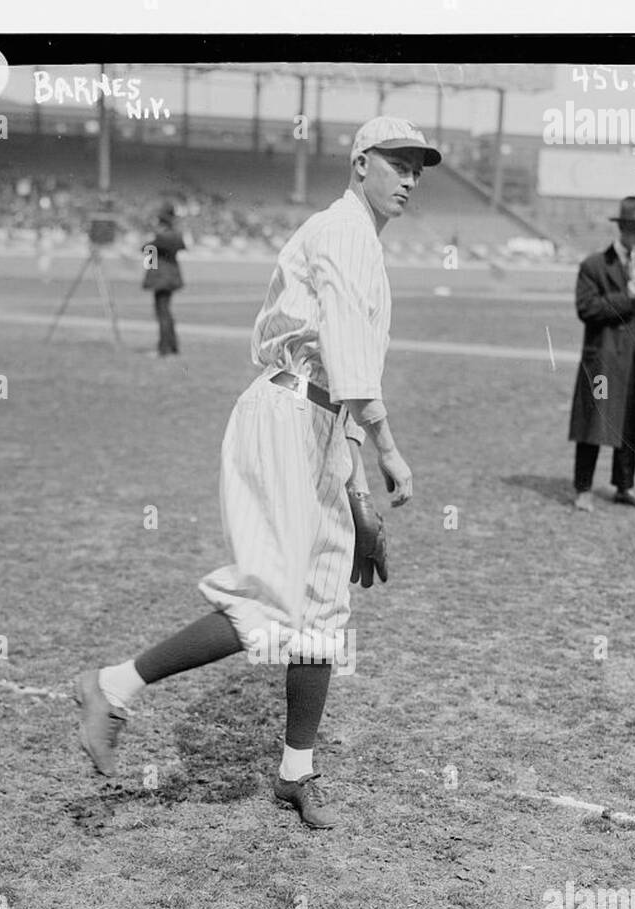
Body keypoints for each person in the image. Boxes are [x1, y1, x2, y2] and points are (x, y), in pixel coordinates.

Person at [77, 116, 441, 829]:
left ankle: (294, 773)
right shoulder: (340, 229)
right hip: (284, 414)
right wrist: (387, 448)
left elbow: (343, 374)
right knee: (273, 599)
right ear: (359, 161)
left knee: (323, 603)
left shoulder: (360, 238)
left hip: (316, 422)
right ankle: (112, 685)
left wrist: (356, 495)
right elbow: (343, 355)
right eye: (396, 162)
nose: (408, 178)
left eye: (418, 169)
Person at [568, 196, 635, 512]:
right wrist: (627, 296)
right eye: (632, 228)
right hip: (603, 357)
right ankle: (583, 488)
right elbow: (587, 309)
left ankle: (624, 487)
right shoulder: (594, 265)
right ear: (621, 228)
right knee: (593, 422)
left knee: (630, 424)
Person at [141, 201, 185, 356]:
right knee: (165, 312)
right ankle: (172, 346)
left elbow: (147, 250)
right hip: (169, 277)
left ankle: (164, 348)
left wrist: (151, 239)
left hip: (162, 279)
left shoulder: (164, 236)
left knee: (163, 313)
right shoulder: (174, 234)